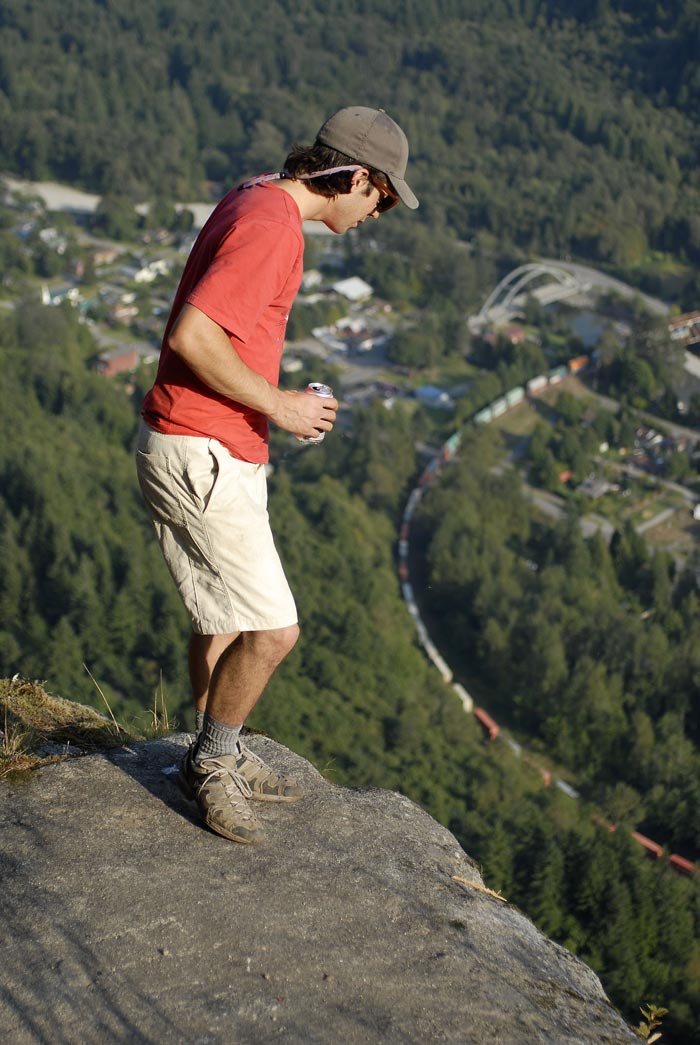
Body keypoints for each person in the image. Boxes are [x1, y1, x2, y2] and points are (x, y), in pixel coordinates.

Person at [135, 106, 419, 844]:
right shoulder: (273, 227)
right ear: (354, 176)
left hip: (195, 440)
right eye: (381, 198)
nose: (377, 214)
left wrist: (274, 404)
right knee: (274, 629)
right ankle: (215, 762)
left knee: (222, 617)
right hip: (206, 449)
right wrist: (284, 406)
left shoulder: (256, 192)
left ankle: (209, 751)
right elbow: (192, 335)